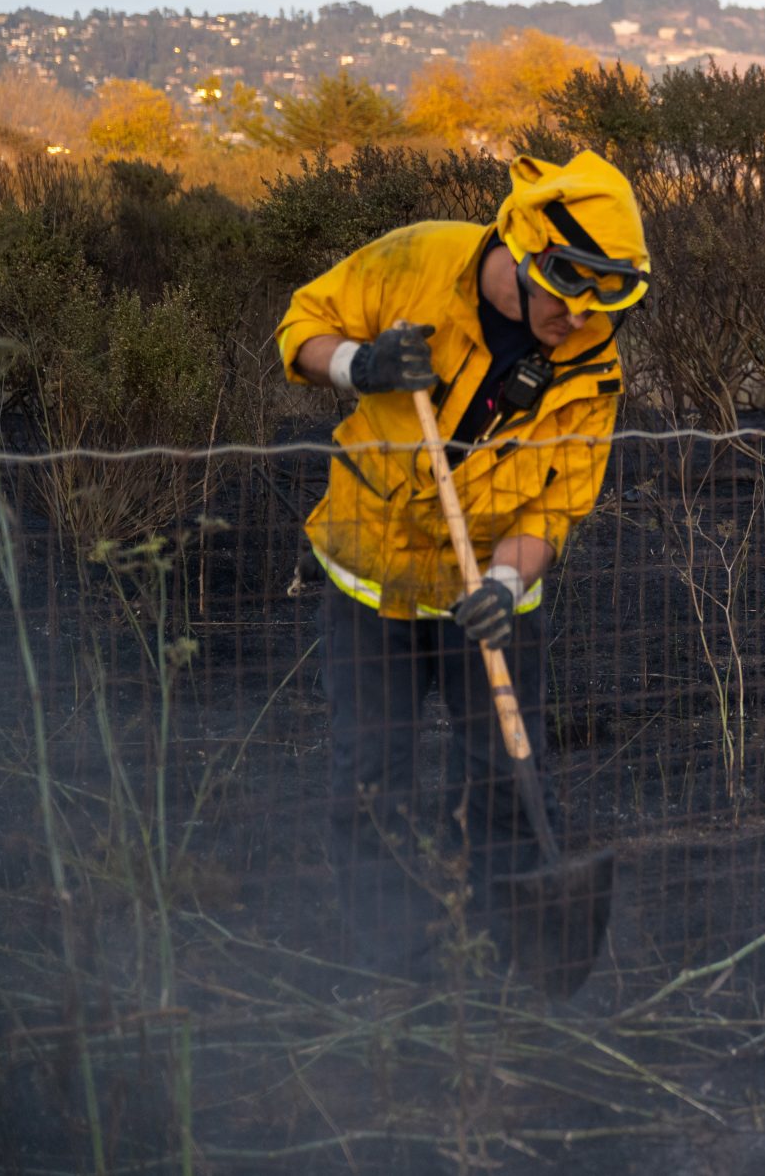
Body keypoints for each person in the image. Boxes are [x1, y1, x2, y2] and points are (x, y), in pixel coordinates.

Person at [275, 151, 648, 979]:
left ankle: (515, 963)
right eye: (568, 292)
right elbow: (302, 327)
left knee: (508, 774)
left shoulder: (594, 365)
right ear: (523, 248)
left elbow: (559, 502)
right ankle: (398, 970)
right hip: (370, 584)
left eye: (602, 302)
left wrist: (506, 583)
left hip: (490, 591)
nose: (580, 318)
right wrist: (359, 365)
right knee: (373, 778)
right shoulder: (418, 261)